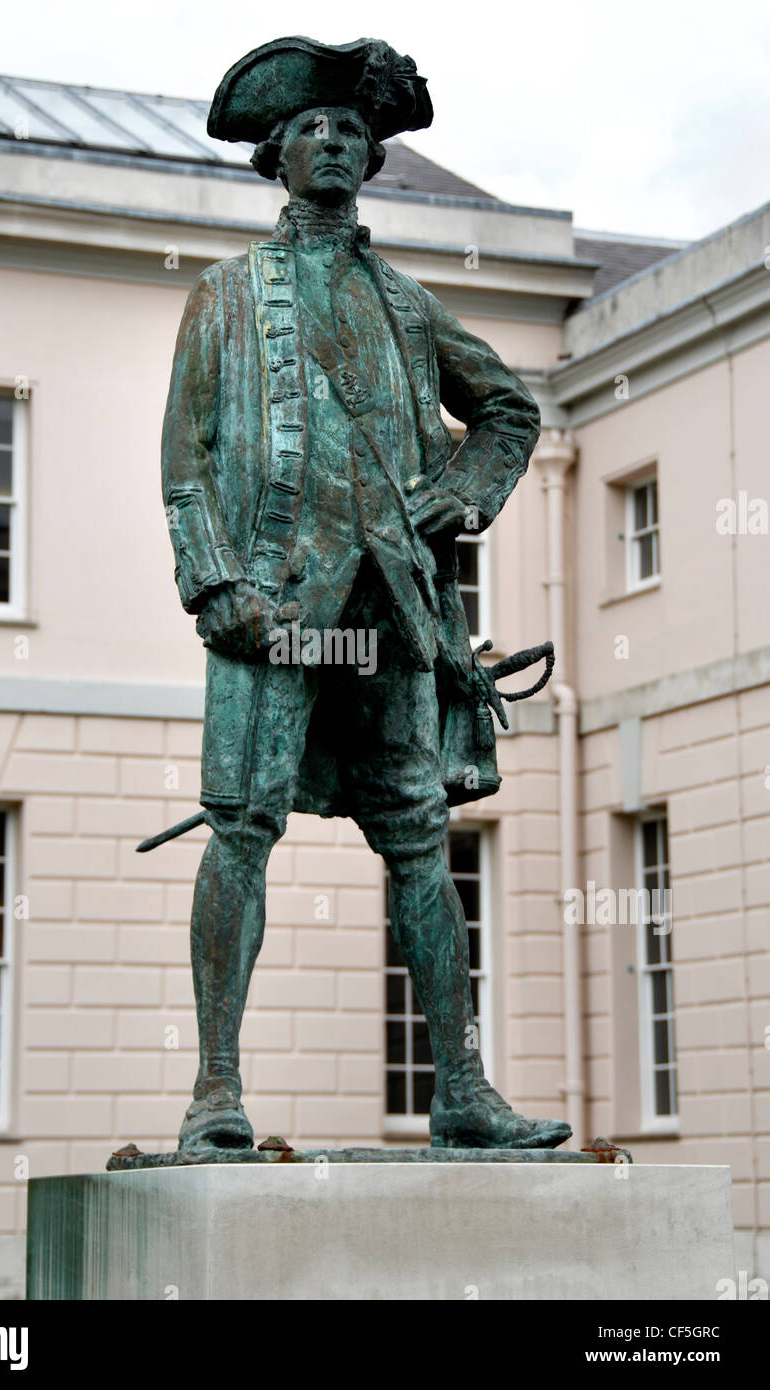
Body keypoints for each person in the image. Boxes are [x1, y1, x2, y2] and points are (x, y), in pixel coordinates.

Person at [162, 36, 571, 1154]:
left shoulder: (406, 304)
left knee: (418, 840)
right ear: (277, 158)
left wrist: (461, 493)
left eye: (351, 128)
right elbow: (187, 462)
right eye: (311, 128)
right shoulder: (226, 297)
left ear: (370, 160)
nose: (334, 140)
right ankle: (215, 1093)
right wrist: (214, 589)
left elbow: (507, 409)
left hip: (392, 610)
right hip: (273, 608)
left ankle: (461, 1092)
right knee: (240, 829)